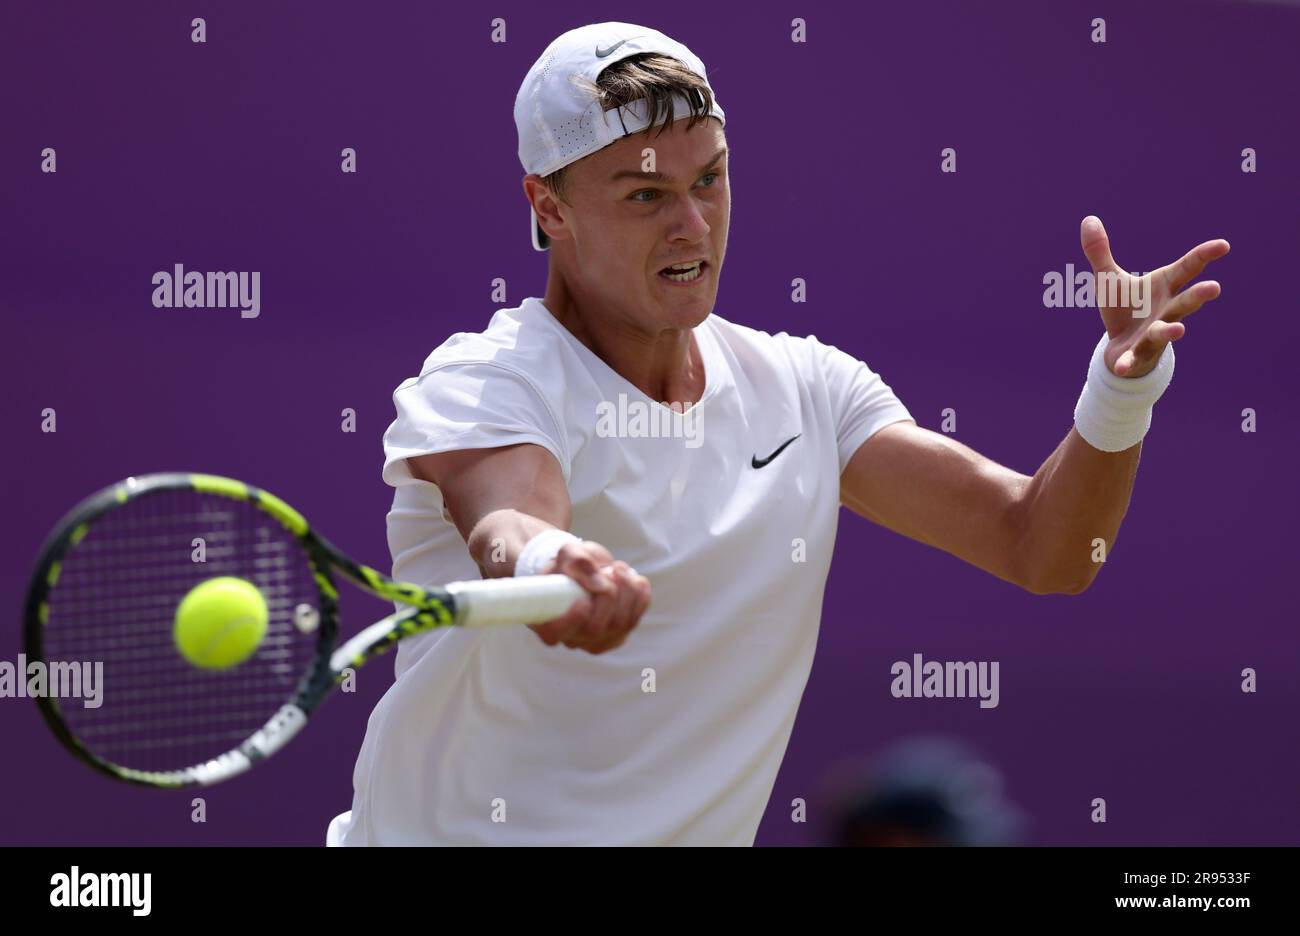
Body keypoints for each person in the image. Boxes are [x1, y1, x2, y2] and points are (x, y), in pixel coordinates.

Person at [327, 22, 1228, 846]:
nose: (693, 226)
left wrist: (1123, 390)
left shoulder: (809, 392)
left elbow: (1046, 549)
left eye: (710, 178)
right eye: (646, 195)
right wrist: (547, 563)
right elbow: (509, 519)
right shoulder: (490, 379)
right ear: (549, 206)